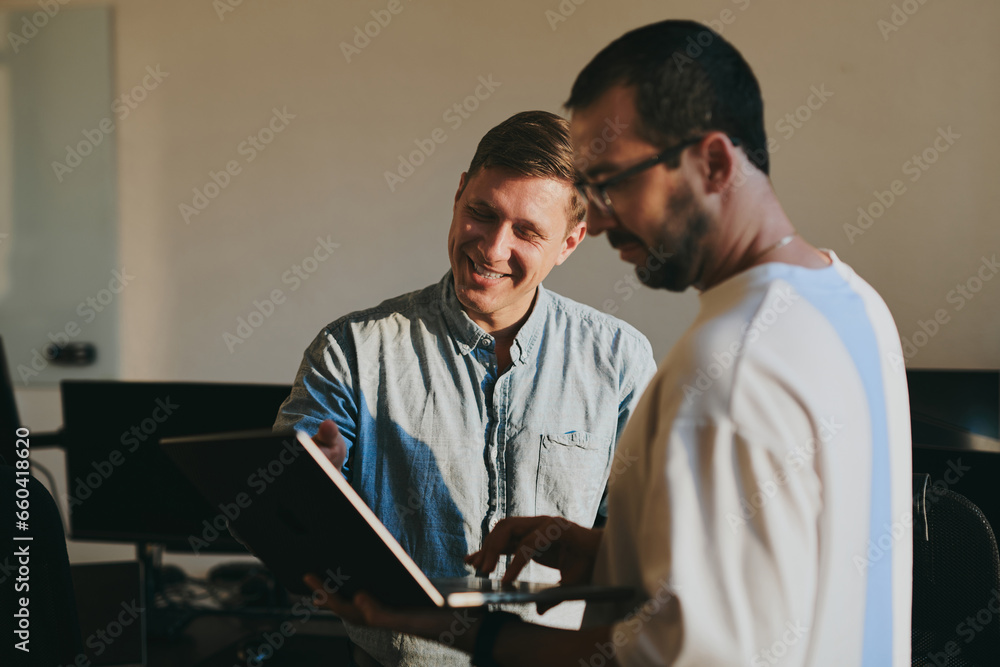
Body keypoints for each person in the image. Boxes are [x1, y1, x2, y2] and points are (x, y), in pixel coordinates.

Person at [305, 20, 912, 667]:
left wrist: (456, 630)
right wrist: (602, 552)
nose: (599, 220)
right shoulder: (855, 305)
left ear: (712, 163)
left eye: (615, 180)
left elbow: (672, 658)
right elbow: (788, 569)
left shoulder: (722, 369)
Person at [276, 110, 656, 666]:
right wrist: (306, 489)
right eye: (482, 213)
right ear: (458, 196)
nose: (493, 248)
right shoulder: (351, 350)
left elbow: (648, 540)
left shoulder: (621, 359)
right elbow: (280, 529)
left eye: (527, 231)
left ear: (570, 242)